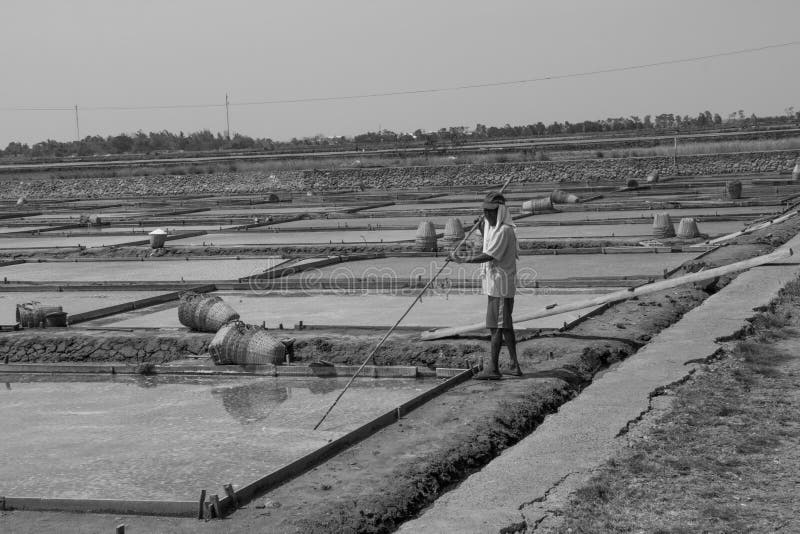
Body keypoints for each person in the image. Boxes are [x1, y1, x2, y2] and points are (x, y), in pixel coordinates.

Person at [449, 191, 521, 379]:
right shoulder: (493, 228)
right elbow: (489, 239)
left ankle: (494, 369)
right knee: (505, 326)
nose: (487, 215)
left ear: (500, 212)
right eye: (485, 211)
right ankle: (514, 365)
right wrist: (481, 229)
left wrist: (461, 259)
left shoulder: (504, 230)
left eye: (491, 212)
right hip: (495, 285)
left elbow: (489, 255)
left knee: (496, 327)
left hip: (500, 286)